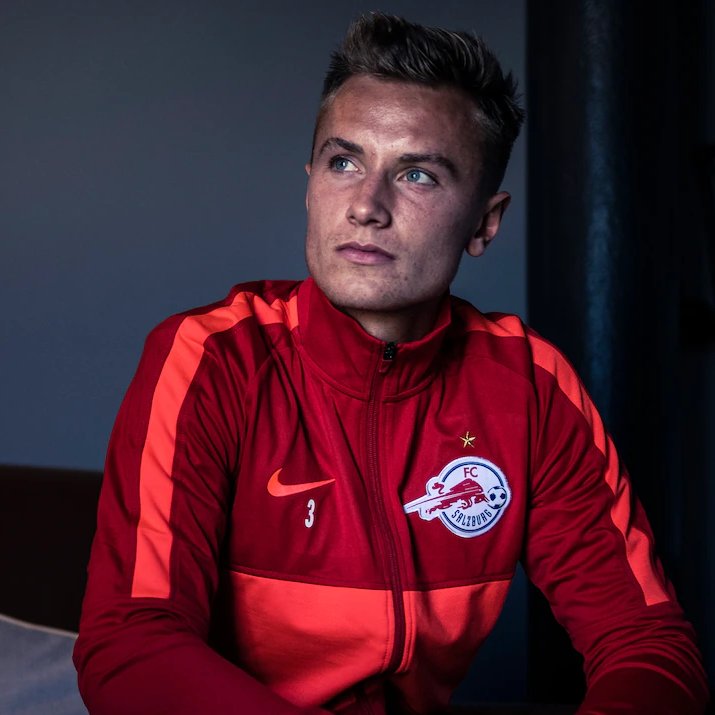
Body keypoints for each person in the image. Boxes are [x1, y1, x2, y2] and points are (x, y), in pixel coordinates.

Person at [74, 12, 709, 715]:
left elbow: (646, 641)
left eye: (417, 175)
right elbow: (131, 642)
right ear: (310, 184)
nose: (366, 207)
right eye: (344, 163)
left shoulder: (528, 385)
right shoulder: (209, 359)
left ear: (484, 222)